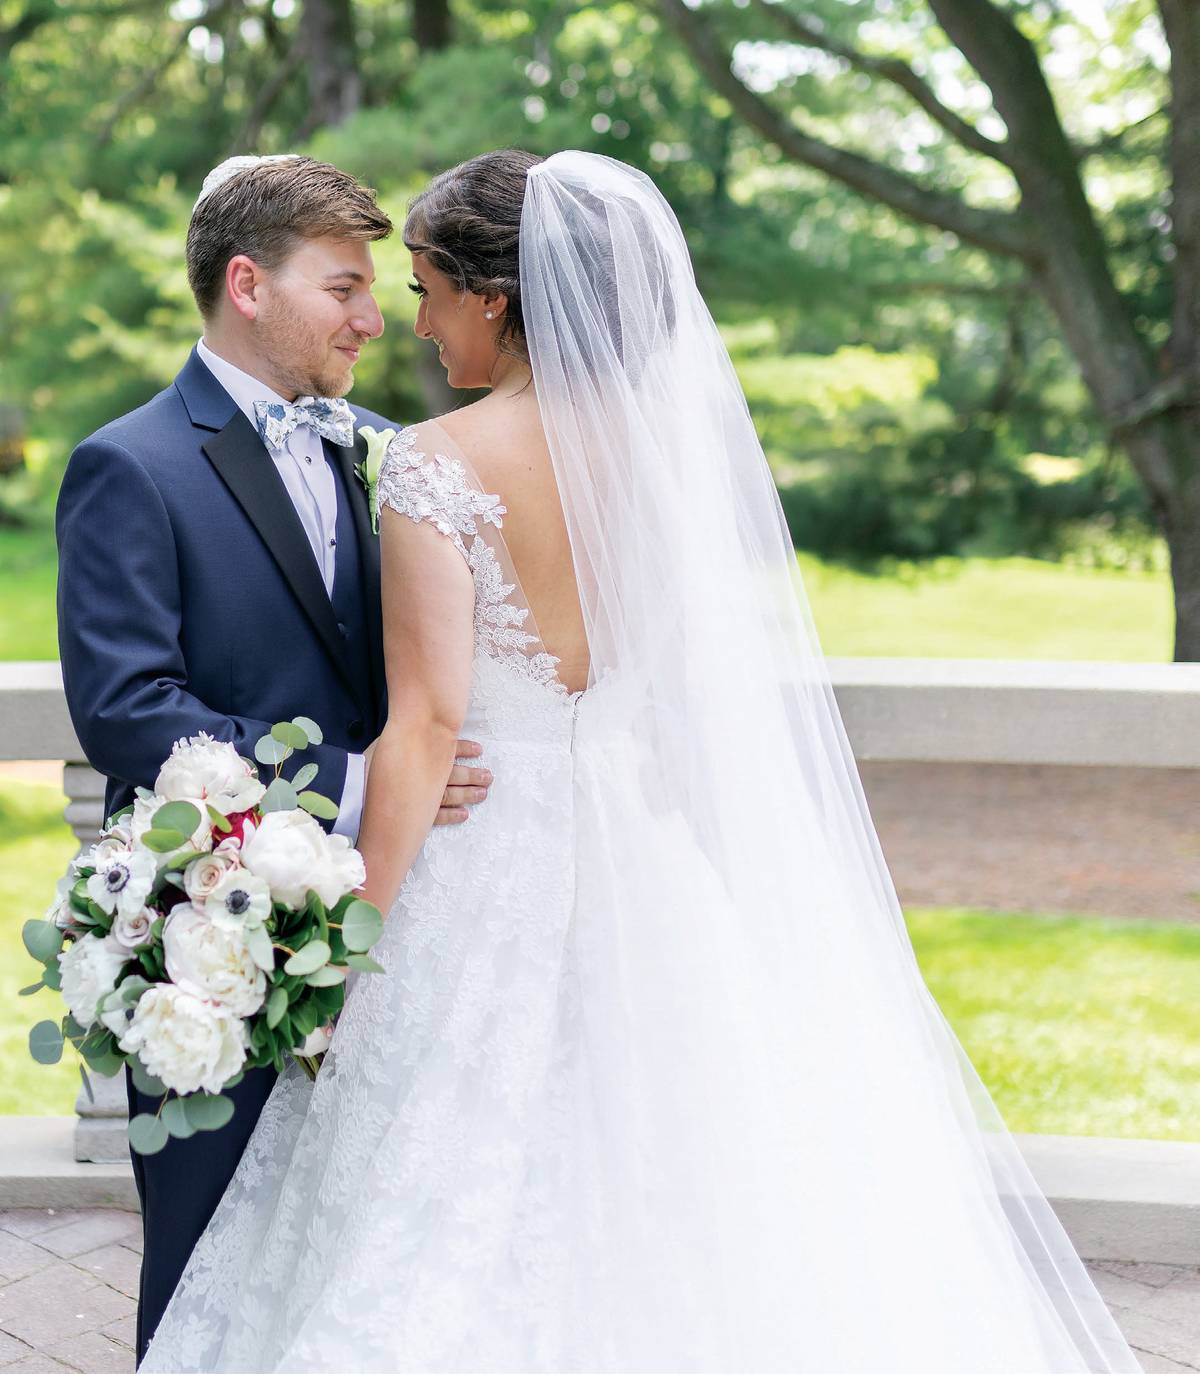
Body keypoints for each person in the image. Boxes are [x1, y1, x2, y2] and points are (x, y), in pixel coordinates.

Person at [138, 149, 1140, 1372]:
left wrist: (350, 958)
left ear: (493, 298)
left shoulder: (436, 463)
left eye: (428, 287)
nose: (416, 318)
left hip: (482, 861)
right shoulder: (664, 465)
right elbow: (674, 709)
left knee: (436, 1198)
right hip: (644, 857)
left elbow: (430, 734)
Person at [55, 154, 493, 1365]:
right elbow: (131, 711)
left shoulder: (395, 454)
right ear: (246, 284)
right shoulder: (128, 468)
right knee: (211, 1268)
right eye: (344, 285)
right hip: (220, 942)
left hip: (411, 932)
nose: (375, 315)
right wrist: (361, 784)